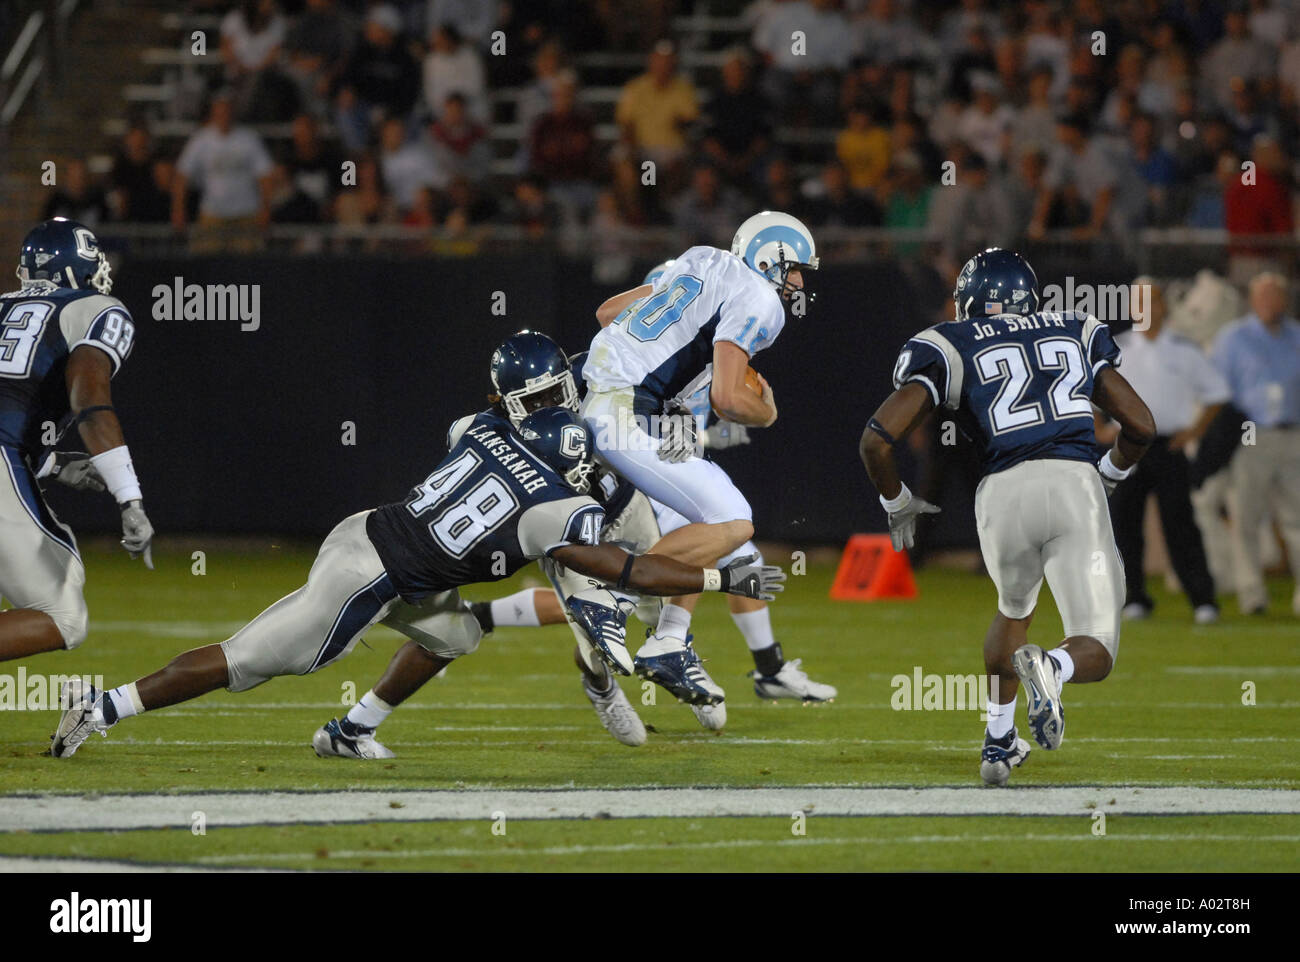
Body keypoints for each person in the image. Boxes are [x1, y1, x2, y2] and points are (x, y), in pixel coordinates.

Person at [51, 406, 784, 759]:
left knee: (457, 633)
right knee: (250, 660)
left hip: (387, 540)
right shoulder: (555, 507)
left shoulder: (485, 429)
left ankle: (350, 731)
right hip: (370, 574)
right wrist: (720, 575)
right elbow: (627, 568)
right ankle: (106, 706)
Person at [860, 248, 1156, 786]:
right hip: (1073, 482)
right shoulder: (1075, 327)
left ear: (970, 300)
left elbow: (877, 441)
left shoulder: (948, 342)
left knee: (1012, 608)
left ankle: (998, 743)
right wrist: (1111, 472)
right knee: (1095, 644)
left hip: (1000, 495)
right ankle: (1053, 667)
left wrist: (897, 502)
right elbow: (1140, 424)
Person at [580, 211, 816, 706]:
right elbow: (730, 398)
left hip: (605, 401)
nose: (797, 282)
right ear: (768, 259)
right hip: (626, 410)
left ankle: (667, 639)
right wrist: (768, 412)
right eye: (794, 269)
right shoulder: (760, 299)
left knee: (710, 523)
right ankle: (616, 598)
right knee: (732, 520)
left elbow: (607, 314)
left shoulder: (699, 258)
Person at [0, 219, 154, 665]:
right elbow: (88, 399)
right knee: (62, 614)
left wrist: (50, 464)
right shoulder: (95, 307)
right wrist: (130, 499)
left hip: (12, 457)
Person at [1102, 279, 1229, 623]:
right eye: (1138, 302)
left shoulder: (1184, 350)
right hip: (1126, 446)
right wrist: (1100, 429)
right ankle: (1135, 598)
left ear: (1163, 306)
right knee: (1125, 524)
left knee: (1181, 524)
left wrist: (1194, 430)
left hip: (1168, 445)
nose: (1146, 308)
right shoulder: (1115, 348)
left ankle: (1203, 600)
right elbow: (1090, 392)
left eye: (1152, 301)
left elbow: (1217, 393)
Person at [1212, 272, 1300, 616]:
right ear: (1251, 300)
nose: (1269, 303)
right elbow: (1219, 391)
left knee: (1297, 519)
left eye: (1275, 296)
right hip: (1249, 433)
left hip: (1293, 433)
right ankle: (1252, 594)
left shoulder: (1296, 336)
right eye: (1262, 297)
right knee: (1246, 517)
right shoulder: (1233, 339)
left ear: (1286, 299)